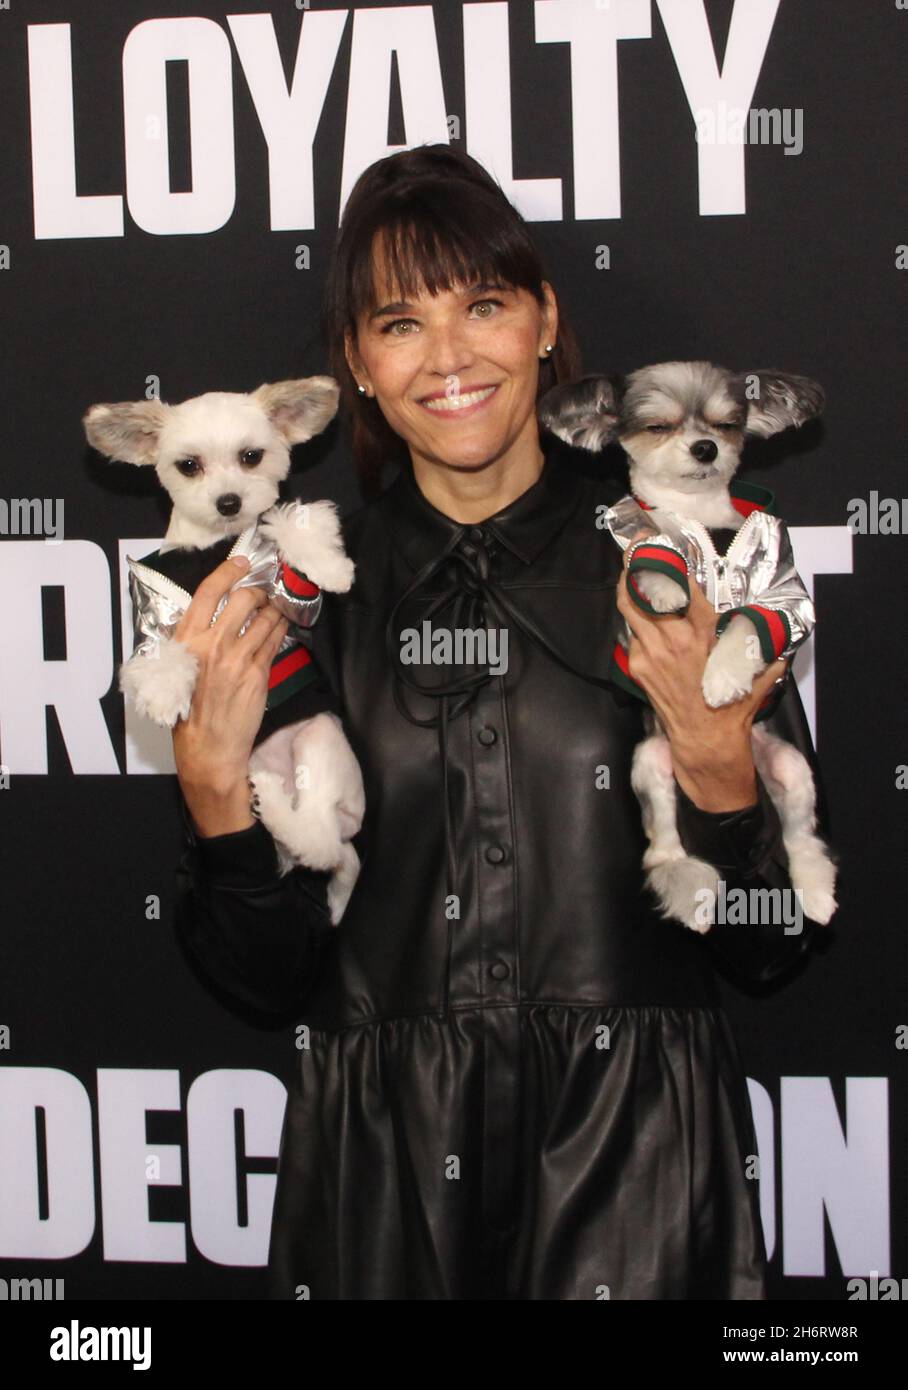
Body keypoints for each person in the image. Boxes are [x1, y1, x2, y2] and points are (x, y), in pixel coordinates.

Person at [169, 144, 831, 1300]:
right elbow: (260, 980)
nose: (449, 357)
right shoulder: (299, 590)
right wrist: (216, 796)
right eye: (398, 322)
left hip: (637, 1173)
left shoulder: (671, 558)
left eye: (482, 304)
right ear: (359, 368)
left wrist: (719, 763)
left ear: (542, 324)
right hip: (385, 1180)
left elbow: (773, 945)